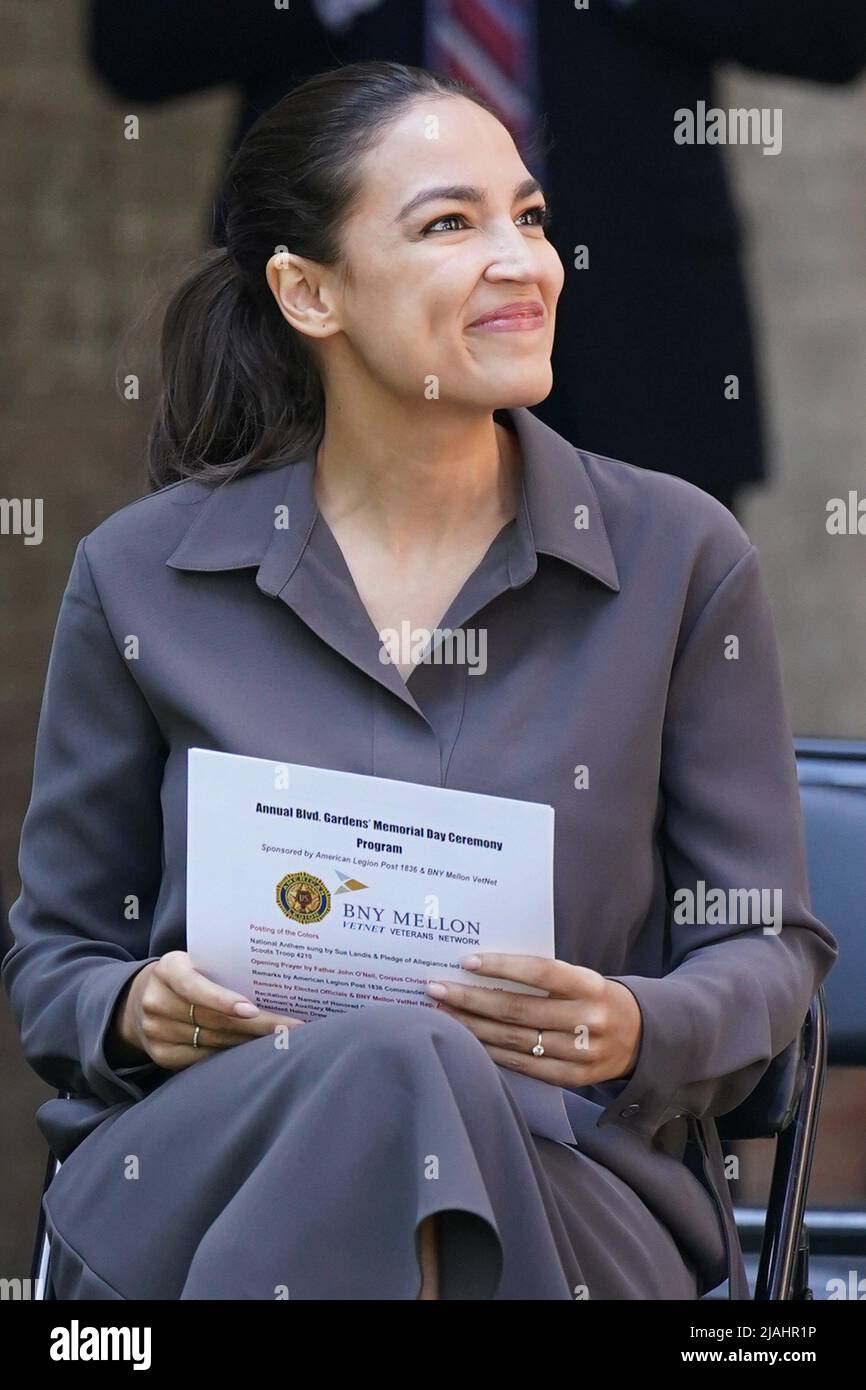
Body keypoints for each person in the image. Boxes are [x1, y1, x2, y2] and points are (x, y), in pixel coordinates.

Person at [2, 62, 837, 1301]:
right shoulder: (138, 576)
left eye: (530, 217)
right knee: (391, 1067)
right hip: (219, 1166)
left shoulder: (678, 557)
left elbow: (764, 944)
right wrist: (134, 1009)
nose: (525, 263)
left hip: (565, 1175)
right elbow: (55, 960)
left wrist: (632, 1025)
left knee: (409, 1072)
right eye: (451, 224)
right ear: (307, 291)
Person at [87, 0, 866, 518]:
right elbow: (135, 44)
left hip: (639, 332)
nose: (504, 258)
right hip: (335, 346)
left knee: (638, 684)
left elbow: (832, 31)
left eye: (523, 218)